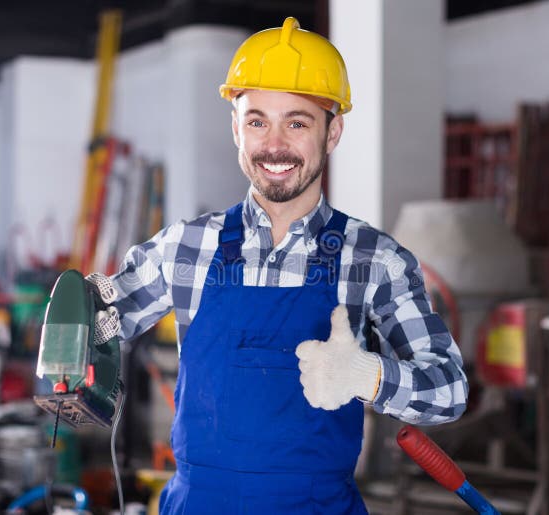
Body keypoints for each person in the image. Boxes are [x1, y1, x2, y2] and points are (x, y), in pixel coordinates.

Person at [90, 16, 467, 514]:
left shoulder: (374, 260)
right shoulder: (184, 248)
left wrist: (368, 377)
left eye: (297, 122)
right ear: (235, 128)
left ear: (332, 132)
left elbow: (449, 389)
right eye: (256, 120)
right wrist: (80, 319)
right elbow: (101, 327)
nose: (274, 145)